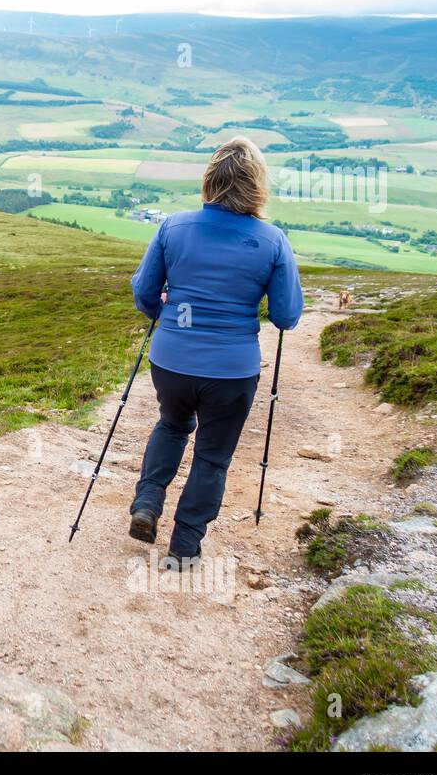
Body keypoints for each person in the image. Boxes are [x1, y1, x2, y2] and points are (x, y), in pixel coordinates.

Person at [127, 137, 304, 568]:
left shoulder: (173, 227)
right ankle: (185, 547)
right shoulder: (272, 240)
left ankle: (147, 503)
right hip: (231, 370)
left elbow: (144, 294)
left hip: (171, 360)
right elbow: (286, 316)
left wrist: (164, 311)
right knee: (212, 454)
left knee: (171, 424)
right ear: (257, 185)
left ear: (210, 180)